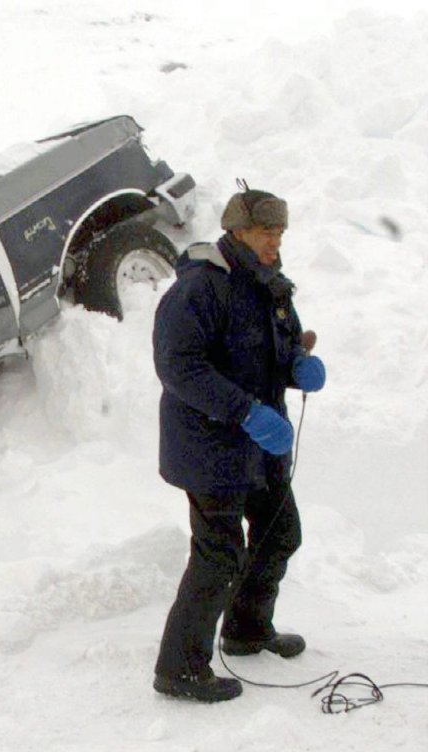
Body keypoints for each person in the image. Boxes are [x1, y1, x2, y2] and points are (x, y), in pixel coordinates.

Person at [150, 188, 328, 703]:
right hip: (211, 445)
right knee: (220, 554)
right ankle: (179, 669)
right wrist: (244, 411)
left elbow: (280, 345)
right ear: (238, 231)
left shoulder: (270, 284)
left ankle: (247, 630)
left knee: (280, 533)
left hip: (261, 445)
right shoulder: (200, 288)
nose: (276, 242)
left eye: (280, 233)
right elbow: (179, 367)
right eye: (267, 232)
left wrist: (297, 366)